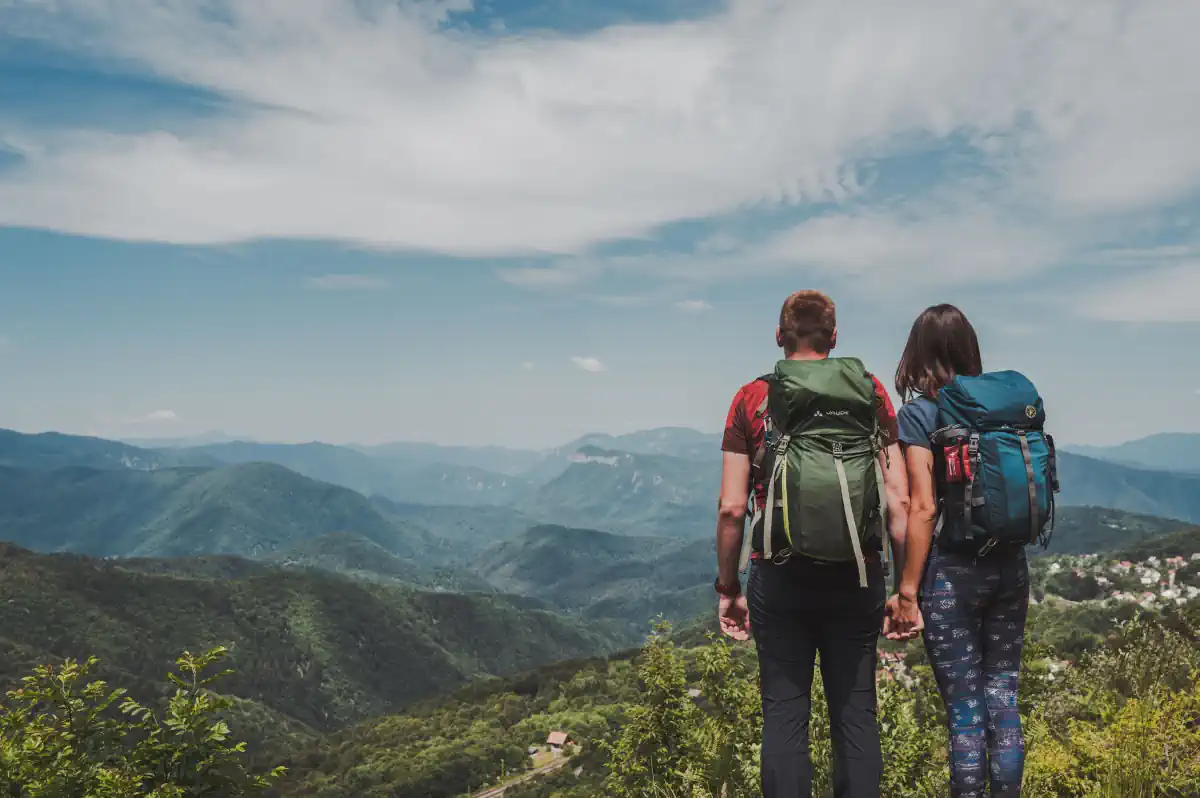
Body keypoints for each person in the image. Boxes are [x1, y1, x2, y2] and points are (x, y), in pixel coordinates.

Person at [715, 290, 911, 798]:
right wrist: (905, 589)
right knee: (856, 714)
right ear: (834, 337)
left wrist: (728, 587)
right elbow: (898, 501)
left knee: (784, 716)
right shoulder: (870, 392)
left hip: (779, 574)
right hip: (858, 574)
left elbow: (732, 509)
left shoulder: (751, 398)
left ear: (779, 337)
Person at [887, 303, 1032, 797]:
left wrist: (907, 591)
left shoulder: (920, 413)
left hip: (952, 575)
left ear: (918, 353)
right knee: (1004, 700)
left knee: (967, 714)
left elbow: (923, 507)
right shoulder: (999, 409)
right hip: (1011, 567)